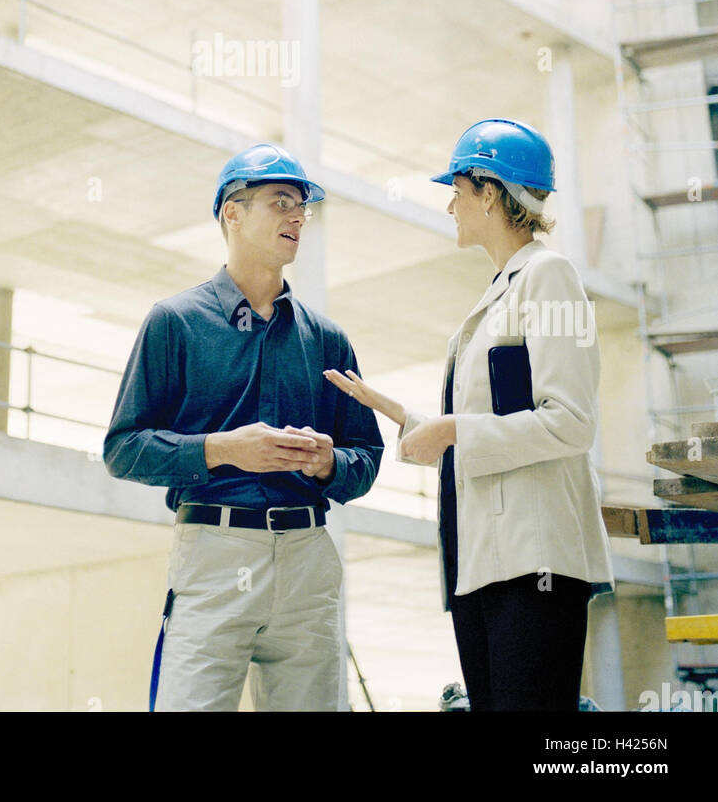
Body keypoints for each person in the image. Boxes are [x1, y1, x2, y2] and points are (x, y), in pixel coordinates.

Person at [326, 118, 614, 712]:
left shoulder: (550, 277)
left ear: (489, 191)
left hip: (536, 565)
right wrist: (405, 416)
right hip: (481, 563)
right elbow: (498, 422)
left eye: (457, 188)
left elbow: (571, 422)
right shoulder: (499, 291)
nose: (451, 203)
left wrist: (454, 429)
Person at [104, 143, 383, 712]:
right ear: (232, 211)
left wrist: (330, 462)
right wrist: (221, 450)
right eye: (281, 202)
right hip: (214, 551)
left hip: (308, 557)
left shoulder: (327, 339)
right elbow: (123, 449)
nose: (297, 217)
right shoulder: (175, 322)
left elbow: (368, 457)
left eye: (302, 206)